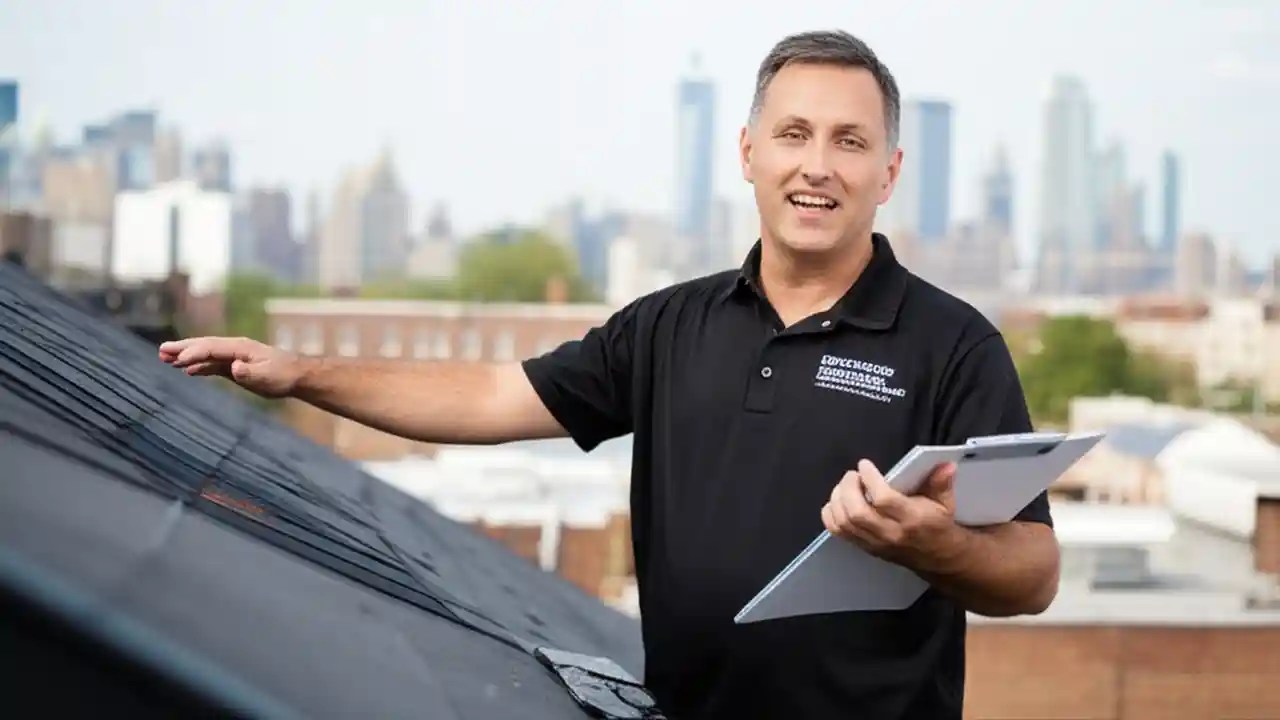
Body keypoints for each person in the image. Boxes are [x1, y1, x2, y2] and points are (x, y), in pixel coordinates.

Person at [160, 29, 1059, 720]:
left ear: (889, 170)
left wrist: (929, 543)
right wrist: (300, 372)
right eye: (794, 134)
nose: (817, 165)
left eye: (849, 141)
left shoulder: (953, 345)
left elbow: (1033, 574)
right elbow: (487, 395)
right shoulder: (672, 325)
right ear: (748, 153)